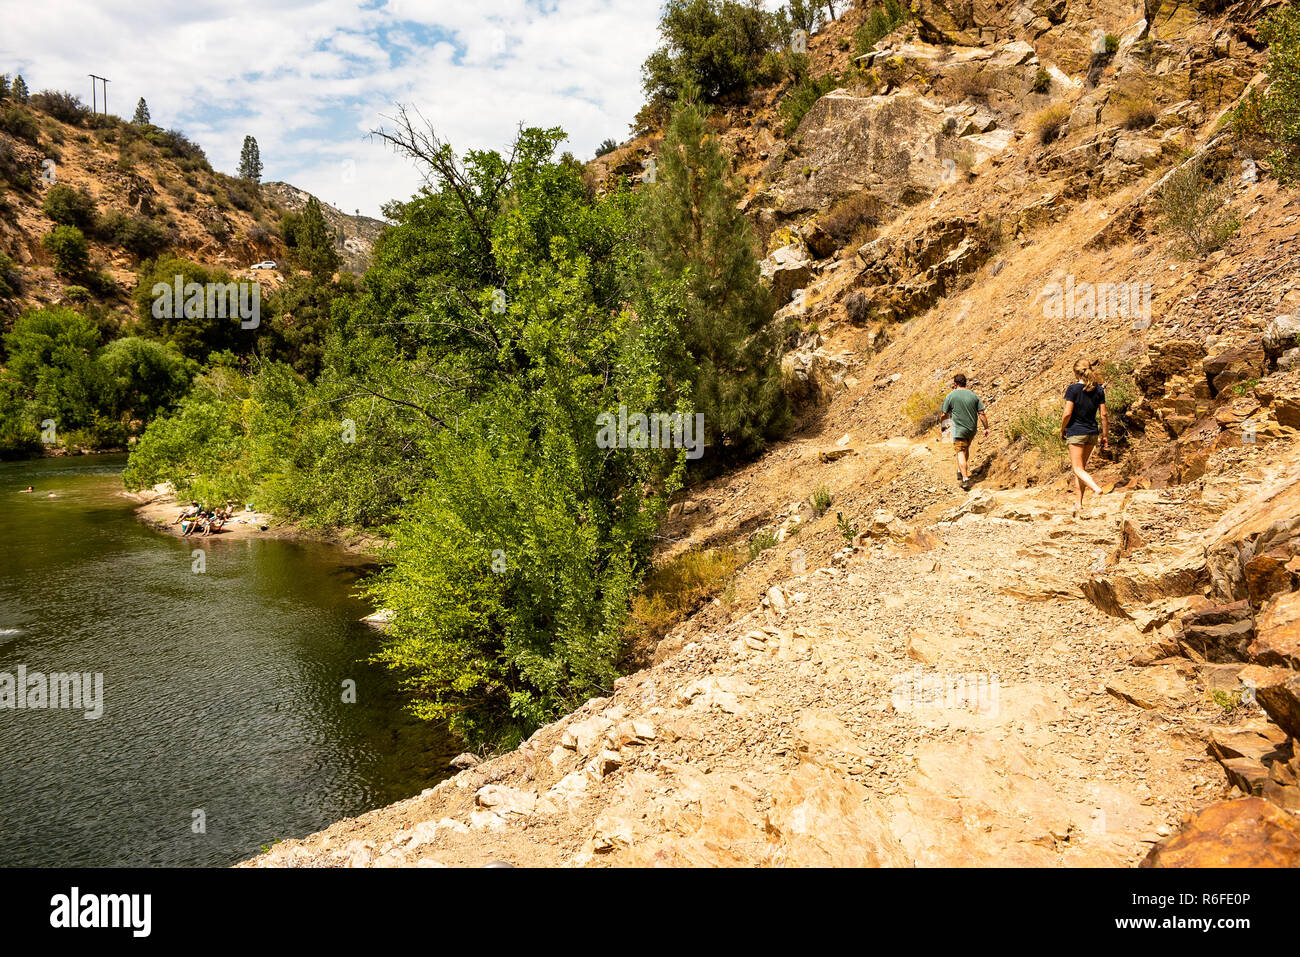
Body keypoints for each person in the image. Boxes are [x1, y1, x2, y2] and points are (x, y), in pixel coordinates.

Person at [1060, 358, 1109, 517]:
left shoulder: (1073, 389)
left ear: (1076, 372)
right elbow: (1104, 415)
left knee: (1077, 468)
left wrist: (1062, 429)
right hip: (1092, 433)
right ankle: (1078, 503)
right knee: (1081, 469)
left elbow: (1067, 413)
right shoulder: (1099, 390)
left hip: (1076, 431)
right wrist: (1105, 436)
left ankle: (1096, 488)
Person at [939, 373, 990, 491]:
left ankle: (966, 479)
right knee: (965, 449)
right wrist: (986, 428)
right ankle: (959, 470)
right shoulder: (973, 396)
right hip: (971, 429)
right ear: (965, 383)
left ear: (955, 384)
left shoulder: (951, 396)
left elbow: (944, 414)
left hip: (958, 429)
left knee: (960, 451)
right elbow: (981, 413)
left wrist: (944, 427)